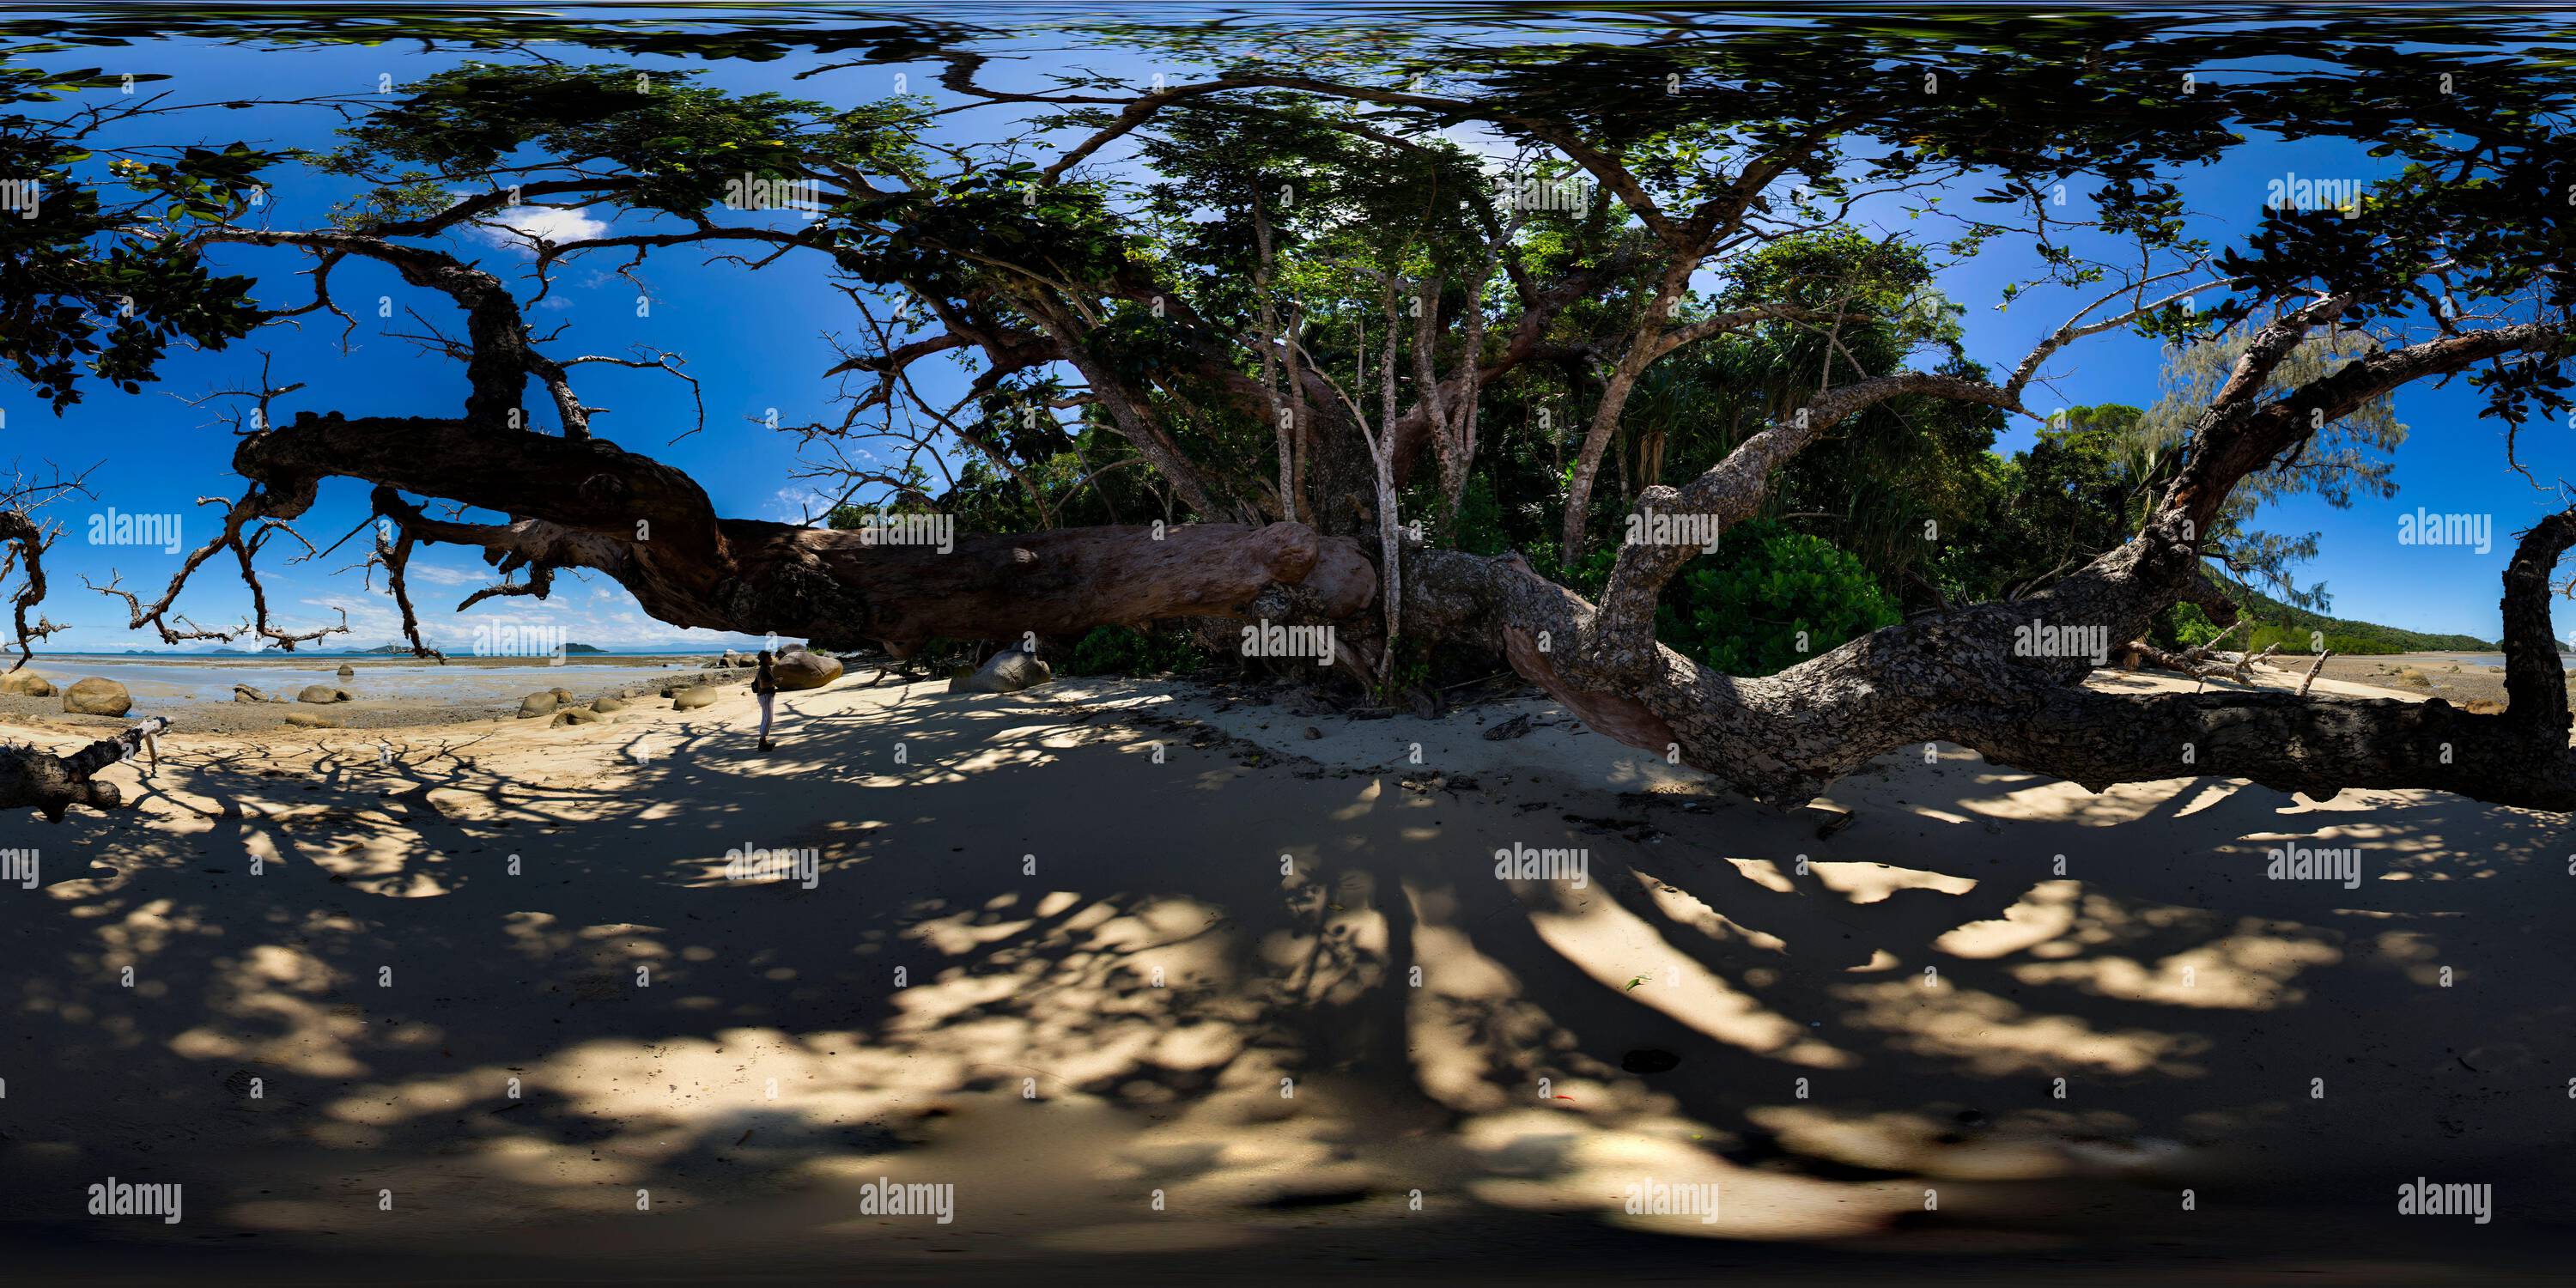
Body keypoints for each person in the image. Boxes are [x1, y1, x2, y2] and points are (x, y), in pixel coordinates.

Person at [751, 649, 778, 751]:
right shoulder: (763, 670)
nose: (771, 658)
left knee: (766, 717)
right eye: (769, 657)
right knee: (768, 718)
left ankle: (763, 741)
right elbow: (763, 685)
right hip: (765, 696)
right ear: (765, 659)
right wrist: (775, 681)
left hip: (766, 696)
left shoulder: (766, 668)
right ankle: (762, 742)